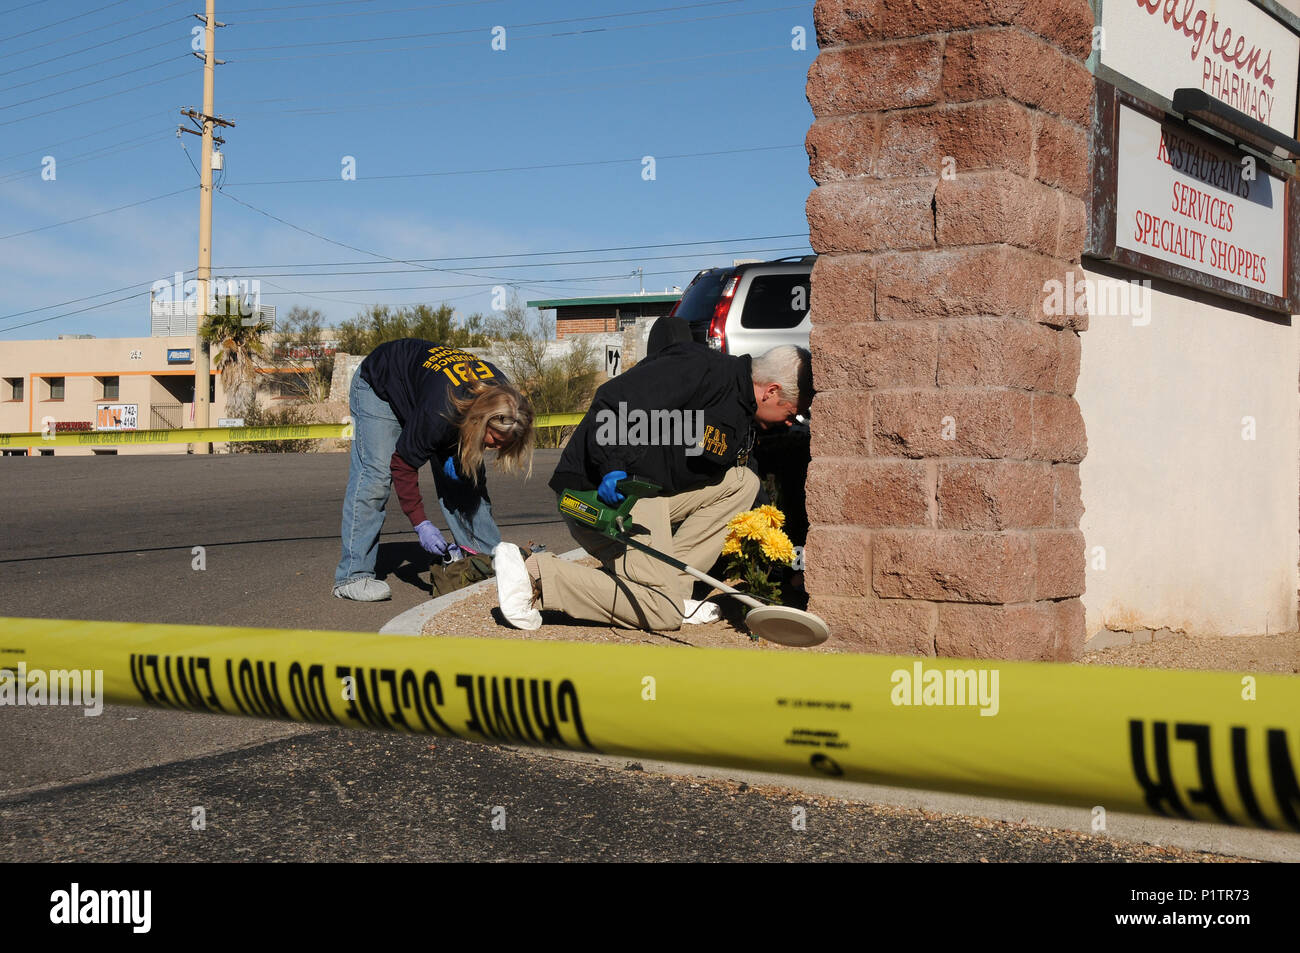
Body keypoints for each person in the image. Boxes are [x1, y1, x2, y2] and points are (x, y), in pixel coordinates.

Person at [493, 341, 812, 630]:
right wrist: (613, 468)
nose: (790, 421)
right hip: (610, 493)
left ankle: (669, 591)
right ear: (771, 391)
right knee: (663, 613)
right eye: (791, 412)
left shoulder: (742, 411)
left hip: (654, 493)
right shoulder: (702, 370)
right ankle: (536, 573)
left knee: (743, 483)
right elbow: (614, 400)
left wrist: (786, 568)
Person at [334, 339, 534, 601]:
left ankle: (486, 559)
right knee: (375, 478)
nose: (496, 447)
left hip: (431, 393)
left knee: (465, 478)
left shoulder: (505, 400)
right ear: (481, 420)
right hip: (381, 384)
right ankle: (352, 575)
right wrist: (421, 524)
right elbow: (402, 464)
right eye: (495, 439)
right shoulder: (439, 413)